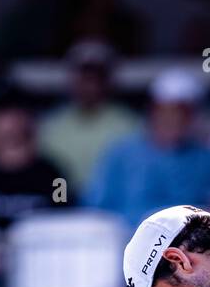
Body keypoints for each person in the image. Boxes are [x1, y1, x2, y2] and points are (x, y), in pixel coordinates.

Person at [83, 69, 210, 227]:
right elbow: (96, 207)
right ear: (152, 111)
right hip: (126, 243)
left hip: (187, 246)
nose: (171, 119)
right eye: (164, 111)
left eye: (181, 113)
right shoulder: (121, 154)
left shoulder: (206, 158)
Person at [39, 42, 139, 192]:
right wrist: (62, 202)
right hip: (64, 201)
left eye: (97, 78)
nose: (90, 85)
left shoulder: (130, 124)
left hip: (112, 205)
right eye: (84, 77)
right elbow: (49, 178)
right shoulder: (51, 125)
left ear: (109, 81)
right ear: (72, 79)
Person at [0, 93, 69, 232]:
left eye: (15, 116)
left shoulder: (55, 176)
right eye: (0, 117)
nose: (9, 126)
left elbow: (66, 217)